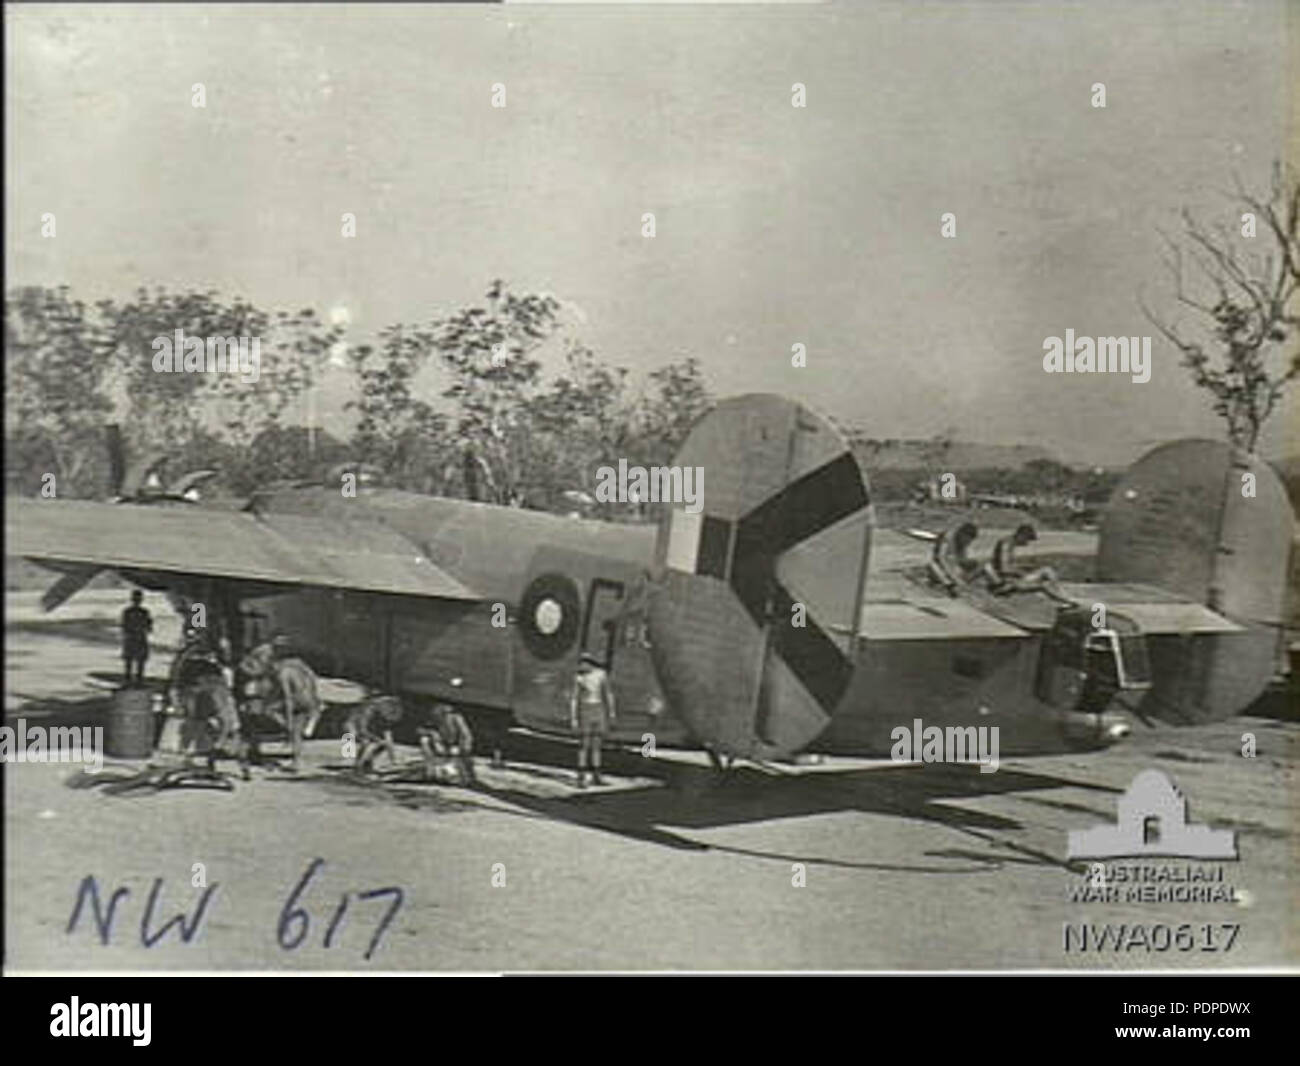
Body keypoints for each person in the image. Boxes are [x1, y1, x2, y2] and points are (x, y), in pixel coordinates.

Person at [987, 523, 1070, 601]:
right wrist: (1022, 572)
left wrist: (1026, 567)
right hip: (1009, 582)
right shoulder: (1006, 544)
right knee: (1047, 573)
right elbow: (1004, 568)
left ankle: (1064, 597)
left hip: (1011, 579)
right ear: (1022, 536)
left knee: (1046, 571)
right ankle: (1066, 599)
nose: (1027, 543)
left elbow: (1009, 565)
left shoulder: (1009, 543)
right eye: (1027, 540)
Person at [569, 653, 615, 787]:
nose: (581, 666)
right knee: (584, 744)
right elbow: (574, 699)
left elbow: (608, 694)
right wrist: (574, 718)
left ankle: (597, 775)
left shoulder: (601, 675)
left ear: (589, 663)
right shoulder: (579, 678)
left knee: (597, 744)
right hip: (586, 710)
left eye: (583, 663)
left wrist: (611, 713)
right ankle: (581, 776)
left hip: (598, 709)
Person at [344, 694, 405, 775]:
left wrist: (393, 760)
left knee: (382, 743)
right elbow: (362, 729)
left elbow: (388, 737)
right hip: (353, 725)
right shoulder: (369, 710)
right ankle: (357, 765)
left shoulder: (385, 713)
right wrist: (375, 738)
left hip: (365, 727)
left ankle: (368, 762)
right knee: (365, 742)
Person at [418, 703, 477, 786]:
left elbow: (466, 736)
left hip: (457, 749)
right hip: (443, 746)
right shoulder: (437, 720)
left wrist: (461, 748)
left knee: (455, 769)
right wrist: (432, 733)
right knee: (424, 740)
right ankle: (431, 772)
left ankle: (459, 776)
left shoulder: (456, 719)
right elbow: (420, 729)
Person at [927, 521, 980, 595]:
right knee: (935, 565)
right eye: (967, 540)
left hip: (952, 566)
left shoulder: (962, 543)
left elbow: (961, 559)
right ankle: (949, 586)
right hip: (938, 567)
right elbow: (940, 558)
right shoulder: (947, 538)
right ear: (962, 535)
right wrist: (954, 577)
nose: (968, 543)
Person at [120, 589, 153, 686]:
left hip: (132, 638)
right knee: (137, 661)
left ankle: (129, 680)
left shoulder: (128, 612)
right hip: (138, 637)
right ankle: (137, 680)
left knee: (131, 661)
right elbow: (149, 626)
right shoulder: (144, 612)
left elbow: (124, 626)